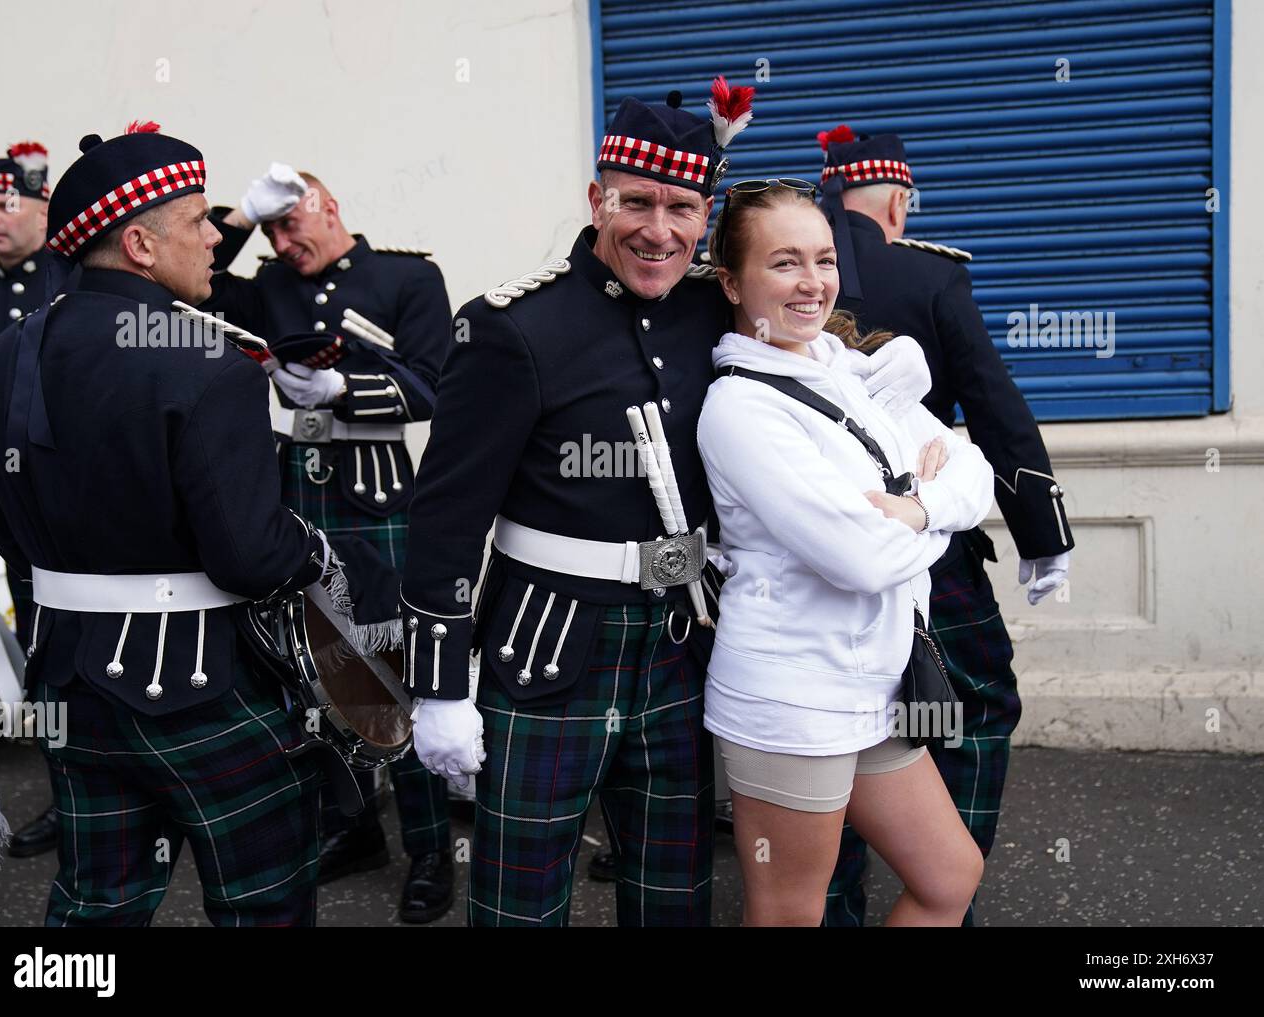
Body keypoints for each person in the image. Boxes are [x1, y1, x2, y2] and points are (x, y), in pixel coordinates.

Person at [397, 78, 931, 925]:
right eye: (636, 202)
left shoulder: (702, 307)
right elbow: (446, 518)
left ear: (706, 216)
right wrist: (438, 687)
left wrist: (869, 359)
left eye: (682, 207)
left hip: (682, 644)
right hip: (546, 650)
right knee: (520, 901)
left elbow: (798, 322)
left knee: (673, 898)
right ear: (596, 200)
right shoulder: (513, 328)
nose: (659, 228)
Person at [0, 121, 335, 926]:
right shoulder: (208, 362)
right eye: (200, 220)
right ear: (138, 243)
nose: (215, 238)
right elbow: (249, 555)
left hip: (71, 679)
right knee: (264, 905)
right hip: (205, 684)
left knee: (94, 909)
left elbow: (3, 526)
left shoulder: (1, 357)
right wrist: (320, 555)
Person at [696, 177, 994, 926]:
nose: (812, 282)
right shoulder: (741, 407)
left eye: (824, 259)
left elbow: (972, 466)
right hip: (793, 696)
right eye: (785, 262)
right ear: (732, 281)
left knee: (949, 875)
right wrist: (929, 520)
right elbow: (857, 557)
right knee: (790, 911)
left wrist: (916, 507)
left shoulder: (846, 370)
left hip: (876, 685)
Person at [815, 126, 1074, 926]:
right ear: (898, 202)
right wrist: (1043, 533)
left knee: (832, 730)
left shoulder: (758, 267)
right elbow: (994, 408)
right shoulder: (929, 275)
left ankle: (835, 905)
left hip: (804, 545)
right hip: (929, 545)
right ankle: (942, 893)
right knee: (976, 705)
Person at [202, 167, 455, 921]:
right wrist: (241, 215)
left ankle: (433, 846)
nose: (284, 242)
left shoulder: (406, 277)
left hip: (374, 496)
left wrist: (345, 391)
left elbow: (438, 384)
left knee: (392, 672)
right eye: (270, 229)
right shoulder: (265, 284)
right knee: (312, 675)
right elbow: (199, 283)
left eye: (290, 223)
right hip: (292, 499)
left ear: (329, 205)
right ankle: (356, 827)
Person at [0, 139, 61, 860]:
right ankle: (69, 791)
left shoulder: (75, 280)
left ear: (42, 206)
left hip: (69, 503)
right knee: (35, 658)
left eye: (6, 203)